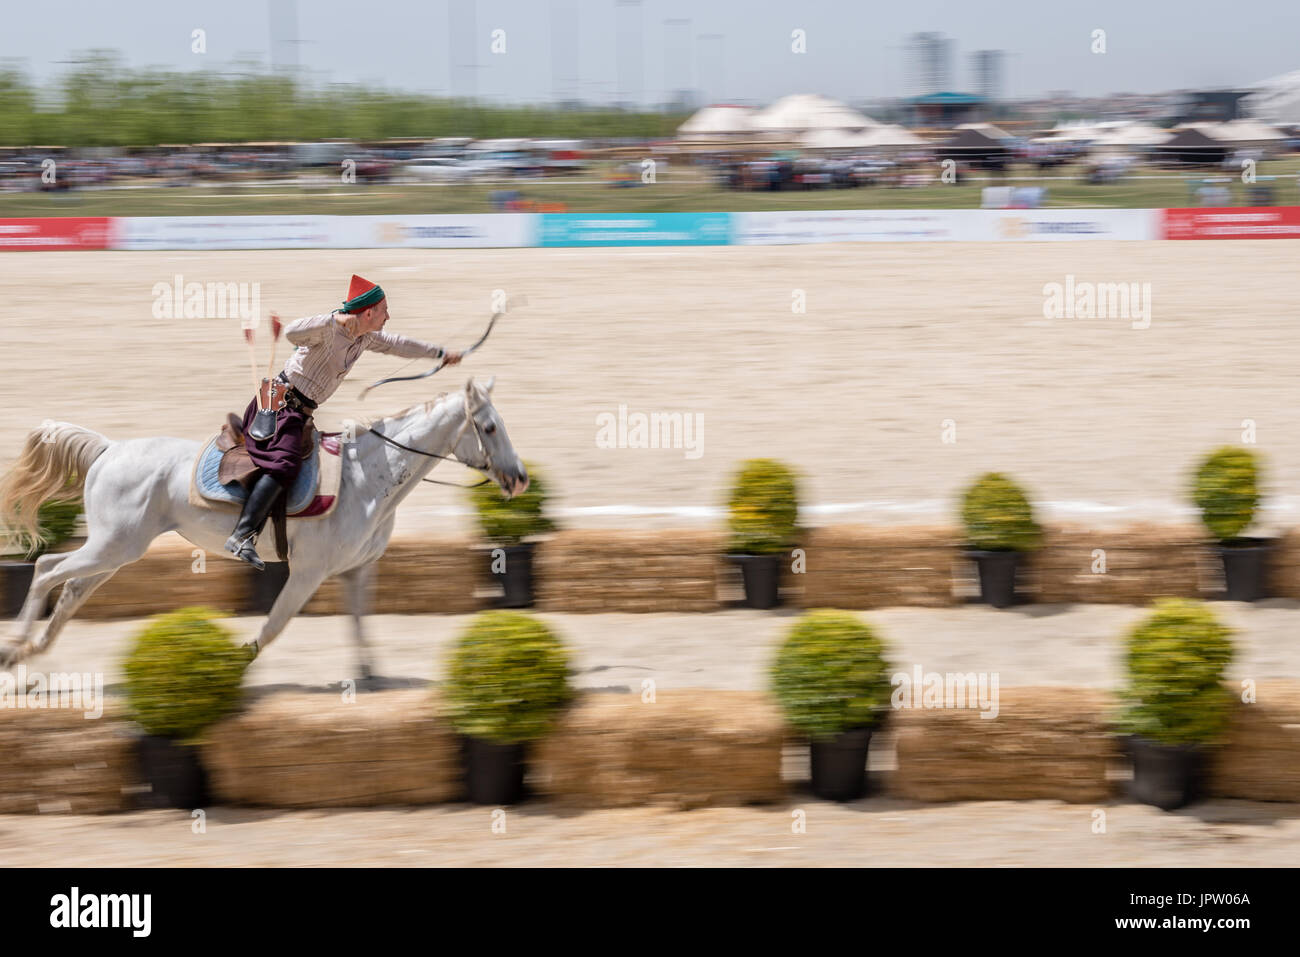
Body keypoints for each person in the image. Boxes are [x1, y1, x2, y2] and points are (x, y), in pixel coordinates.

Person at [224, 274, 462, 570]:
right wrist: (332, 320)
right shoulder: (329, 330)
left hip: (302, 413)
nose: (389, 315)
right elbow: (292, 333)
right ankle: (242, 535)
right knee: (284, 465)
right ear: (368, 313)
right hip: (280, 406)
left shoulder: (366, 337)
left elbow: (399, 344)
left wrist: (439, 353)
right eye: (384, 310)